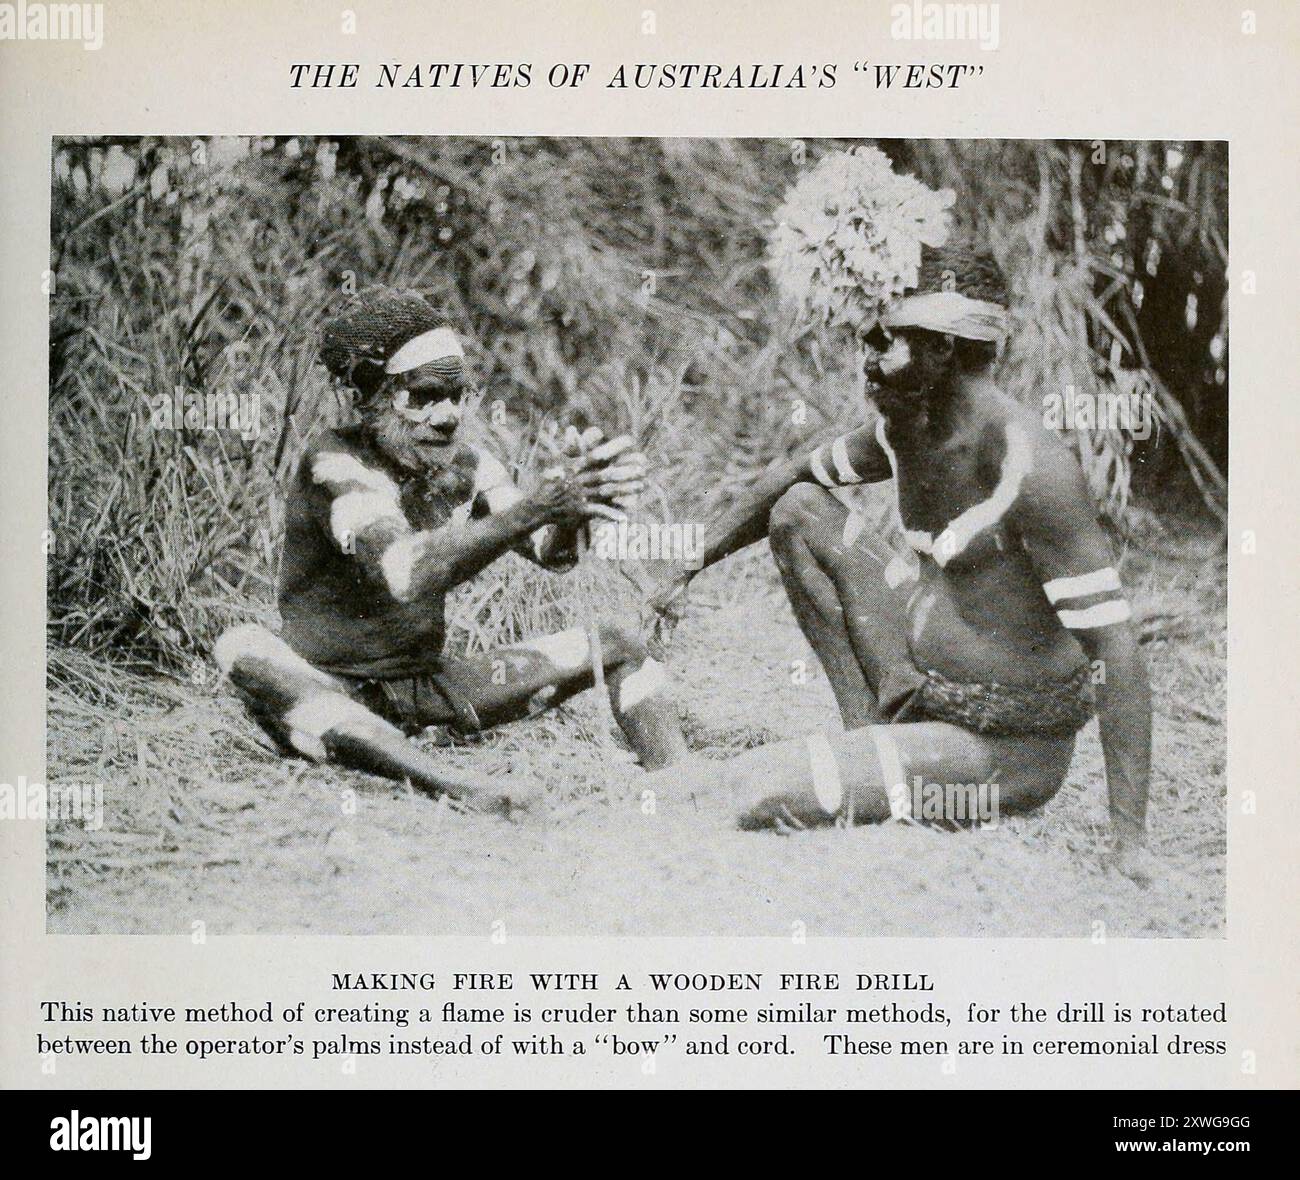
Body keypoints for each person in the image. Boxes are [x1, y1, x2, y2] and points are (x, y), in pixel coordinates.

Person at [649, 244, 1156, 883]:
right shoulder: (906, 431)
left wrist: (1129, 844)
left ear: (943, 348)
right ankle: (871, 734)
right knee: (802, 510)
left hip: (1001, 754)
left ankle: (879, 763)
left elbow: (1116, 646)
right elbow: (792, 478)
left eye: (884, 343)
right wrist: (685, 566)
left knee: (761, 793)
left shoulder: (1031, 465)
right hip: (922, 693)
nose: (867, 364)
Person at [216, 287, 688, 816]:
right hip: (330, 684)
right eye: (422, 396)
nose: (445, 416)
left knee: (619, 641)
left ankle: (682, 777)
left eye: (457, 395)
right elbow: (404, 573)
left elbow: (553, 555)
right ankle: (463, 789)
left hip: (425, 690)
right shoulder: (337, 463)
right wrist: (537, 505)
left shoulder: (469, 466)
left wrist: (579, 505)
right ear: (370, 396)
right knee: (242, 646)